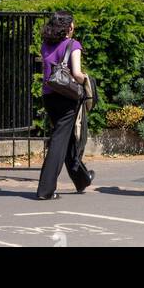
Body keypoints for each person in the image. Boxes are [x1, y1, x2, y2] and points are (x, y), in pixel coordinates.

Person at [36, 11, 95, 201]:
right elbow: (77, 74)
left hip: (49, 96)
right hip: (67, 97)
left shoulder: (46, 44)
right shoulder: (73, 44)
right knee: (59, 142)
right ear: (69, 27)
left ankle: (82, 179)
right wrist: (86, 79)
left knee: (67, 139)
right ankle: (45, 189)